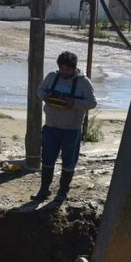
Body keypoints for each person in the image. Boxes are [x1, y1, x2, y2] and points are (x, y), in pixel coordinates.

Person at [34, 51, 97, 202]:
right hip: (50, 127)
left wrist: (74, 103)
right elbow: (40, 90)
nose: (64, 72)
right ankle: (44, 189)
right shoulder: (52, 76)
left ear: (74, 68)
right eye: (62, 69)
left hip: (71, 130)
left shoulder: (84, 82)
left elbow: (92, 103)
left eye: (67, 70)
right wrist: (45, 96)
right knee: (47, 159)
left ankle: (62, 192)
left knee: (69, 162)